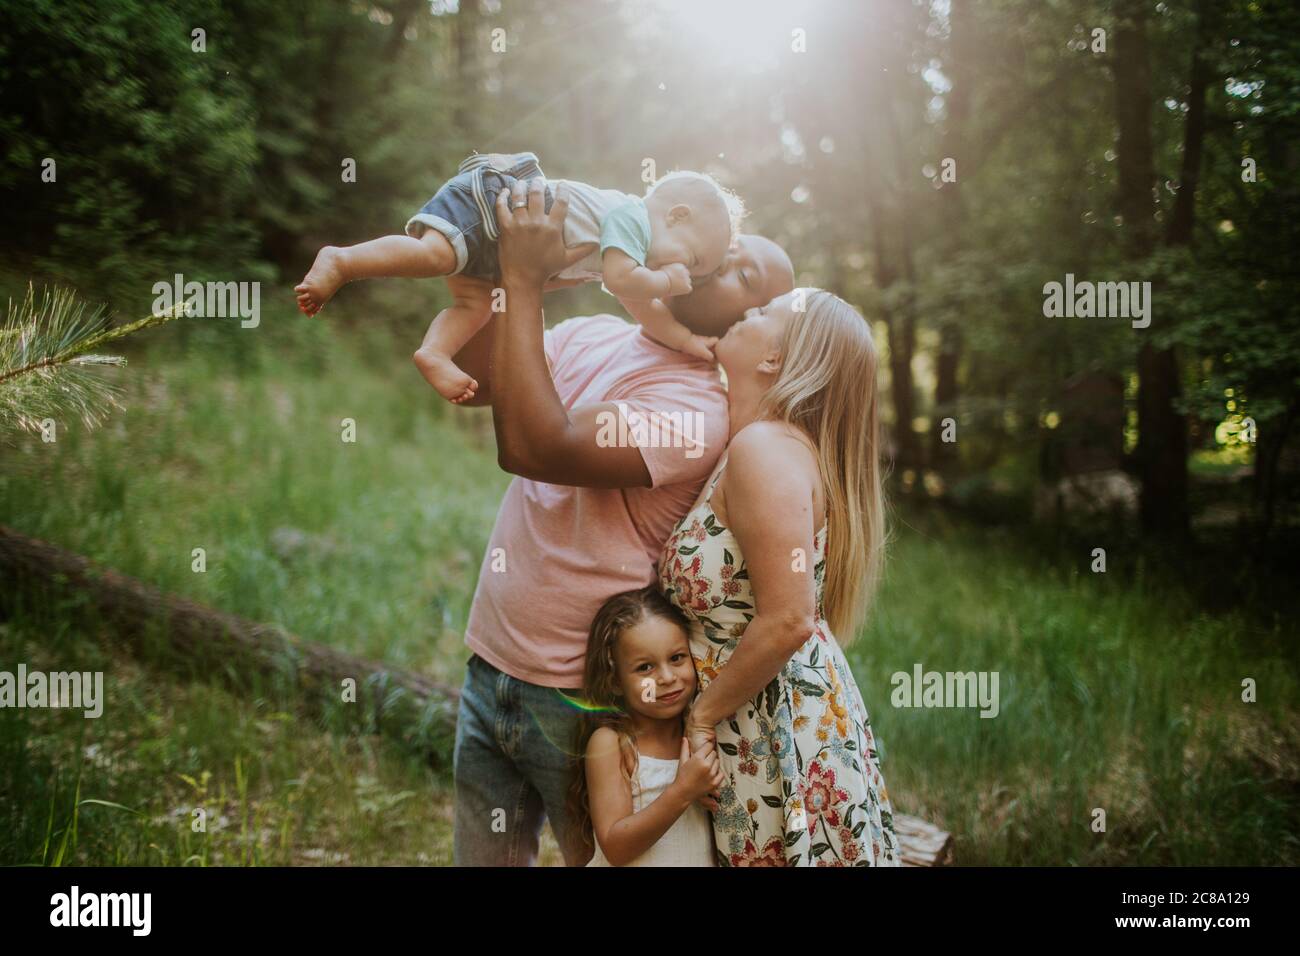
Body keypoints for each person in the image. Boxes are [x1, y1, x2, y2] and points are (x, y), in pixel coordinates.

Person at [449, 175, 793, 866]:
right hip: (490, 665)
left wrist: (522, 280)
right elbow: (477, 379)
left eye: (732, 267)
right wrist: (513, 274)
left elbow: (531, 447)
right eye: (712, 245)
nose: (706, 256)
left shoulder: (697, 414)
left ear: (745, 322)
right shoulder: (597, 334)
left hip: (582, 699)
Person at [660, 288, 901, 866]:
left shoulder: (766, 450)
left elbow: (791, 618)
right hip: (761, 720)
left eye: (764, 312)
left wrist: (702, 715)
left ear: (774, 357)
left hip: (769, 731)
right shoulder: (758, 445)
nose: (748, 308)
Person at [294, 151, 743, 401]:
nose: (685, 272)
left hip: (502, 250)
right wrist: (668, 283)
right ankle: (343, 261)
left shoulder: (632, 254)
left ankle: (434, 353)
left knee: (474, 306)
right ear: (677, 216)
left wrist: (685, 341)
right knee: (433, 254)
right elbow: (630, 285)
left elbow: (640, 306)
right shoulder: (631, 218)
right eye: (693, 259)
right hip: (494, 203)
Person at [571, 587, 722, 867]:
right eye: (645, 668)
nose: (666, 677)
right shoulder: (611, 743)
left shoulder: (705, 735)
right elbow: (616, 848)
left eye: (677, 658)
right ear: (615, 681)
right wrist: (684, 790)